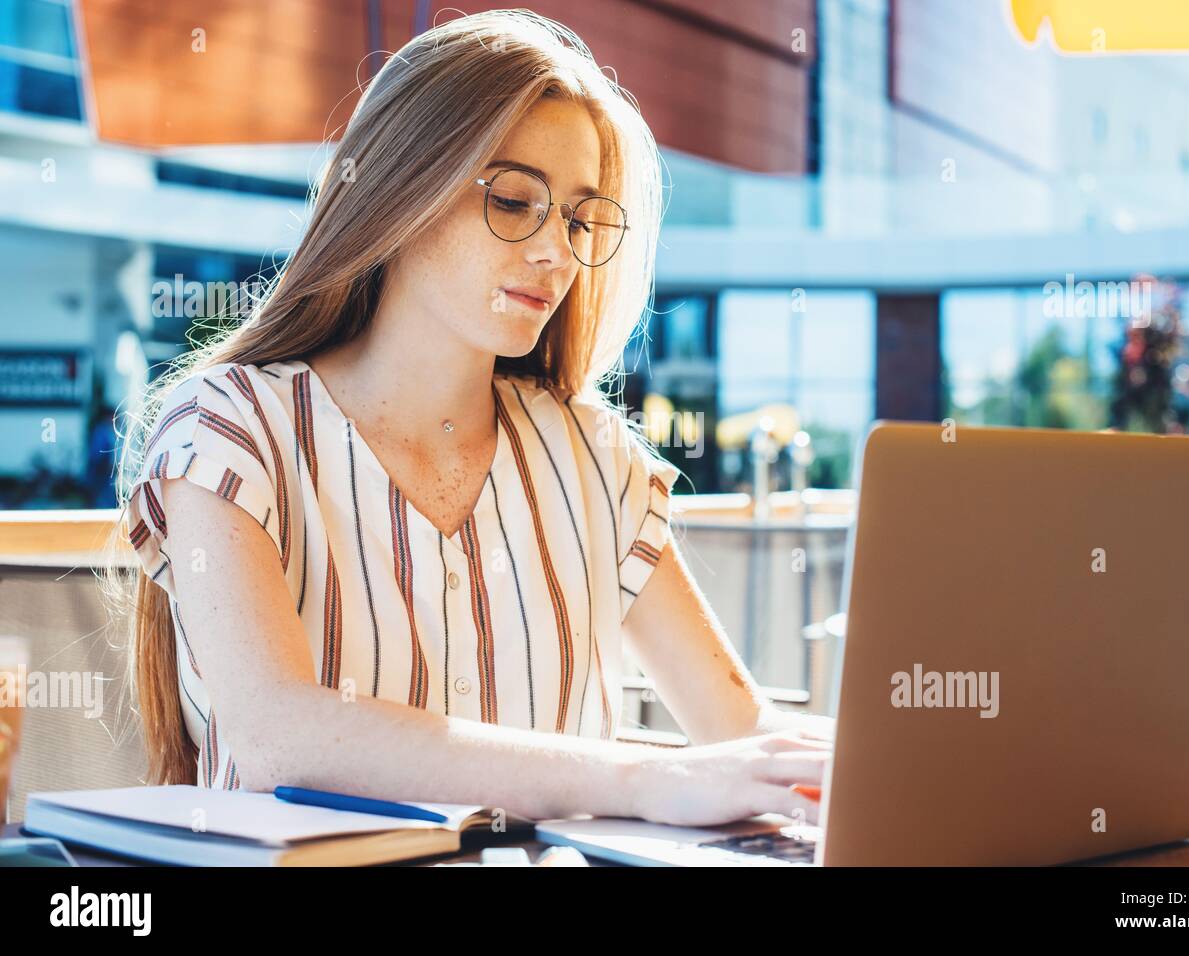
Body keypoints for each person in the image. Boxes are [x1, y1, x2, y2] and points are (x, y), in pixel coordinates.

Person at [116, 10, 832, 828]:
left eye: (577, 219)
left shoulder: (597, 459)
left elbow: (745, 734)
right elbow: (280, 734)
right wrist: (646, 780)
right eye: (517, 201)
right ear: (401, 190)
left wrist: (897, 762)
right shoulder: (230, 430)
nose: (557, 253)